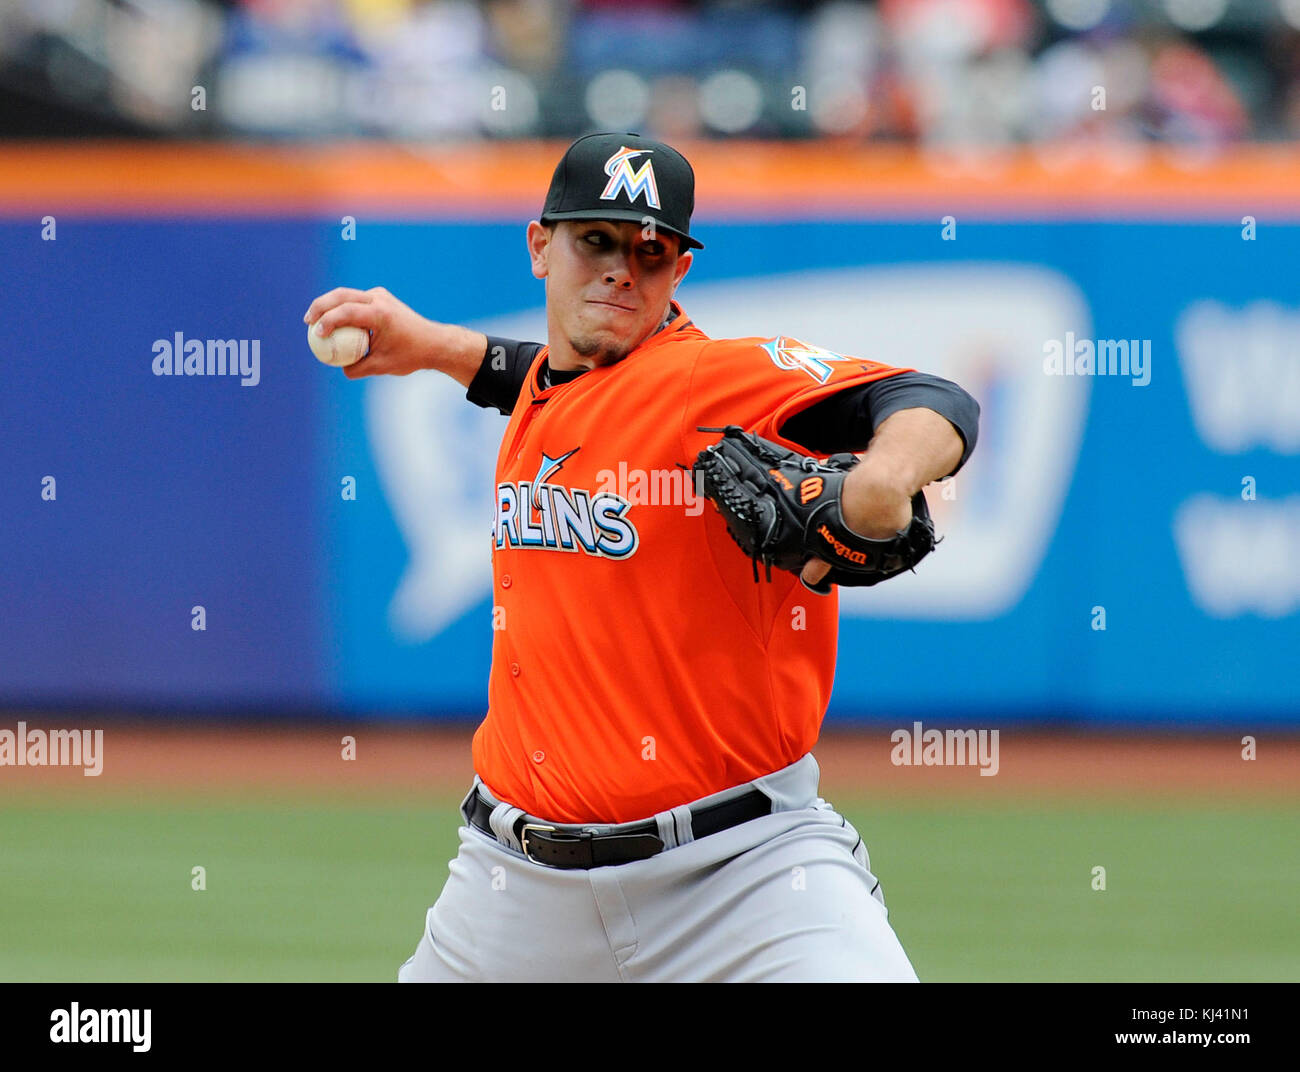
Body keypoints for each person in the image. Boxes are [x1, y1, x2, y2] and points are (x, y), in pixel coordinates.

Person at [303, 132, 980, 982]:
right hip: (510, 893)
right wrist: (440, 348)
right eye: (598, 241)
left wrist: (883, 477)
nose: (624, 269)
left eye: (651, 252)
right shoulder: (563, 378)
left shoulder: (712, 380)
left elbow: (931, 398)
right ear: (540, 245)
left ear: (679, 272)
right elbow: (551, 379)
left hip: (743, 877)